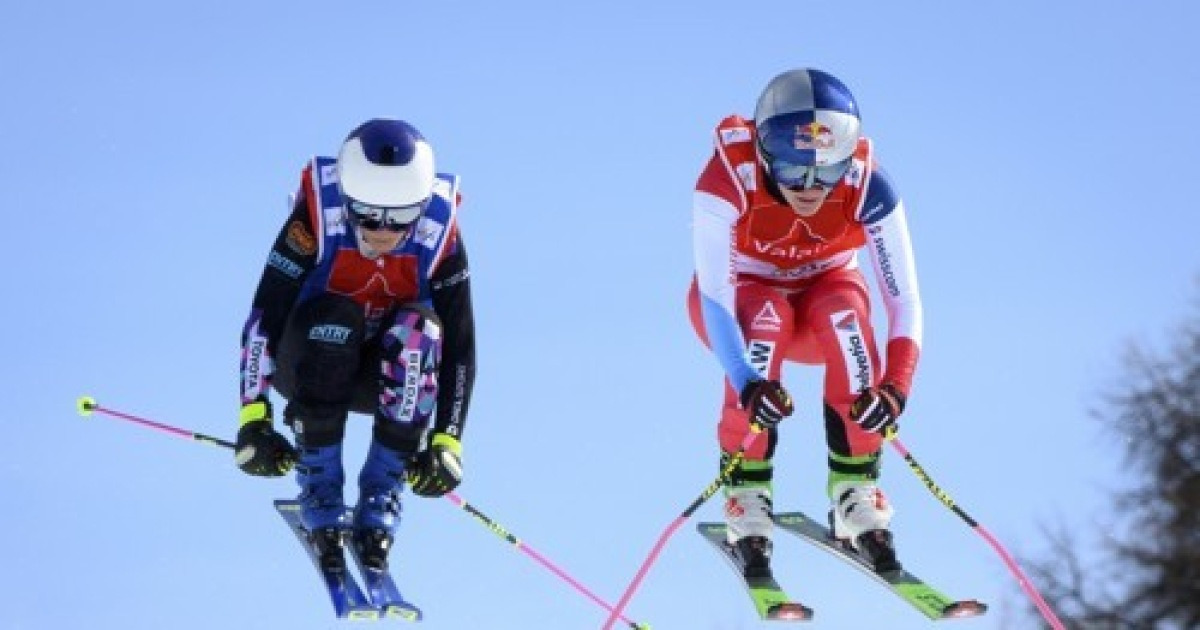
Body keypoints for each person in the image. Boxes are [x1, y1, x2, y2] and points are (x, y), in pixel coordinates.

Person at [687, 68, 923, 577]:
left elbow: (904, 301)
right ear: (766, 154)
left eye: (828, 171)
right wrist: (749, 384)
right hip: (742, 302)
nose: (811, 189)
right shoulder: (727, 176)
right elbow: (715, 297)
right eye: (794, 172)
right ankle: (746, 495)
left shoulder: (868, 185)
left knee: (846, 320)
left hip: (825, 297)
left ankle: (854, 492)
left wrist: (895, 387)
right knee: (764, 326)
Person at [232, 118, 477, 575]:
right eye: (366, 214)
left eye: (401, 217)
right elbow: (265, 314)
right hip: (307, 359)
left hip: (382, 376)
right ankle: (320, 488)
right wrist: (253, 418)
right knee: (338, 316)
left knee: (420, 330)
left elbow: (460, 343)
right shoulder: (314, 221)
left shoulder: (441, 236)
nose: (383, 231)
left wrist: (448, 441)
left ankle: (381, 497)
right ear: (346, 200)